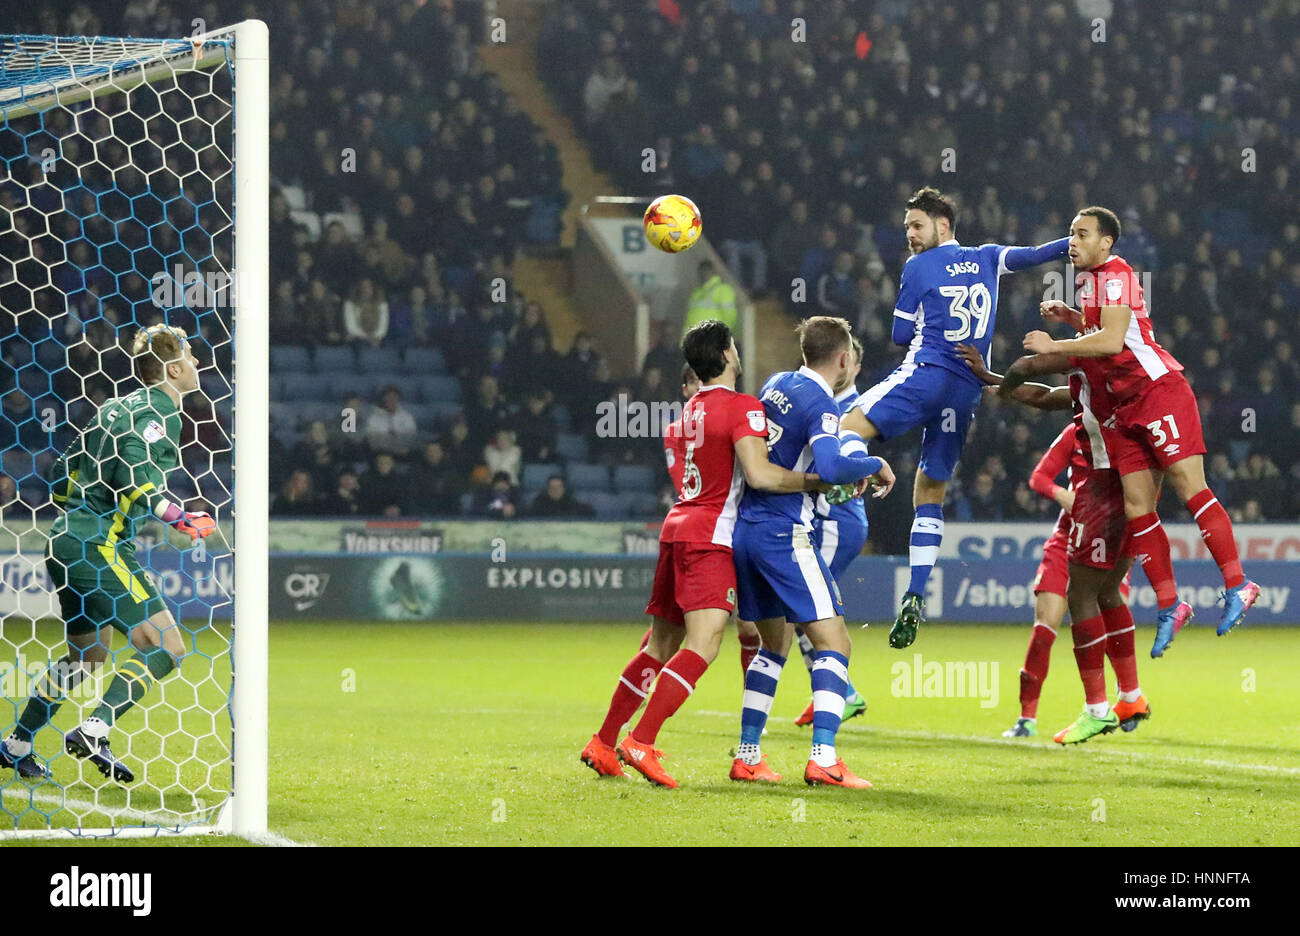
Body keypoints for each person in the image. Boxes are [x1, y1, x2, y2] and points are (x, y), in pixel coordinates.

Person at [580, 320, 832, 789]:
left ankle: (603, 741)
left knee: (658, 646)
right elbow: (760, 476)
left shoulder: (689, 411)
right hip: (710, 537)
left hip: (677, 527)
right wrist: (819, 481)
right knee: (704, 645)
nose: (738, 351)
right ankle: (641, 740)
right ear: (726, 355)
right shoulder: (742, 407)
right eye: (734, 345)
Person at [1016, 206, 1259, 654]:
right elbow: (1110, 329)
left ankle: (1237, 583)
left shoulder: (1118, 274)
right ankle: (1170, 605)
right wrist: (1071, 316)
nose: (1071, 242)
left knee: (1189, 486)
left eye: (1082, 234)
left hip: (1156, 391)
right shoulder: (1090, 281)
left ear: (1105, 242)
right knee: (1136, 507)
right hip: (1123, 410)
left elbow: (1112, 341)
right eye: (1070, 233)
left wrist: (1054, 344)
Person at [839, 186, 1069, 650]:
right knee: (931, 492)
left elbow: (900, 335)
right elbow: (1036, 254)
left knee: (844, 427)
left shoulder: (918, 266)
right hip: (967, 391)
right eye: (907, 227)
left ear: (942, 226)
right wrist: (1075, 243)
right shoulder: (988, 257)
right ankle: (915, 592)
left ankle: (849, 487)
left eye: (916, 225)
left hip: (926, 373)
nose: (909, 234)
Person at [2, 325, 217, 783]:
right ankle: (94, 730)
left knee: (86, 658)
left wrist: (82, 510)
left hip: (65, 539)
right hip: (100, 544)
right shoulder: (161, 413)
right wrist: (178, 516)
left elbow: (62, 475)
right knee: (167, 646)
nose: (197, 362)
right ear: (173, 369)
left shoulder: (113, 407)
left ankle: (16, 745)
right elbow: (135, 477)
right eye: (190, 355)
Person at [731, 316, 894, 788]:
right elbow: (830, 465)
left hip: (747, 530)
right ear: (843, 359)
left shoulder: (776, 383)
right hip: (784, 532)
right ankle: (823, 757)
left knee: (773, 645)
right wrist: (874, 462)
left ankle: (748, 755)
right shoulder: (822, 403)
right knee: (835, 642)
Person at [958, 346, 1145, 741]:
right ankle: (1029, 717)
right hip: (1069, 537)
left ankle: (1123, 697)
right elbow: (1040, 465)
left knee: (1104, 607)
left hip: (1113, 529)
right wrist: (1066, 496)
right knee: (1047, 627)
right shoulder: (1077, 426)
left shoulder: (1127, 419)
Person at [793, 337, 870, 727]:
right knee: (801, 609)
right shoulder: (828, 402)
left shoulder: (848, 410)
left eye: (849, 361)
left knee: (806, 607)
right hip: (832, 521)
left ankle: (842, 693)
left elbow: (845, 463)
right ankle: (831, 691)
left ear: (854, 367)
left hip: (835, 520)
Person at [682, 260, 738, 336]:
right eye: (701, 271)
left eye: (706, 270)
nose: (703, 273)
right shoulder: (696, 293)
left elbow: (730, 315)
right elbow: (689, 318)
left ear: (713, 271)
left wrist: (724, 335)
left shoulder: (723, 289)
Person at [529, 475, 595, 518]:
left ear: (564, 489)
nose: (555, 490)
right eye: (552, 487)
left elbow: (588, 511)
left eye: (559, 487)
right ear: (547, 490)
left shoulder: (570, 502)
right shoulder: (539, 504)